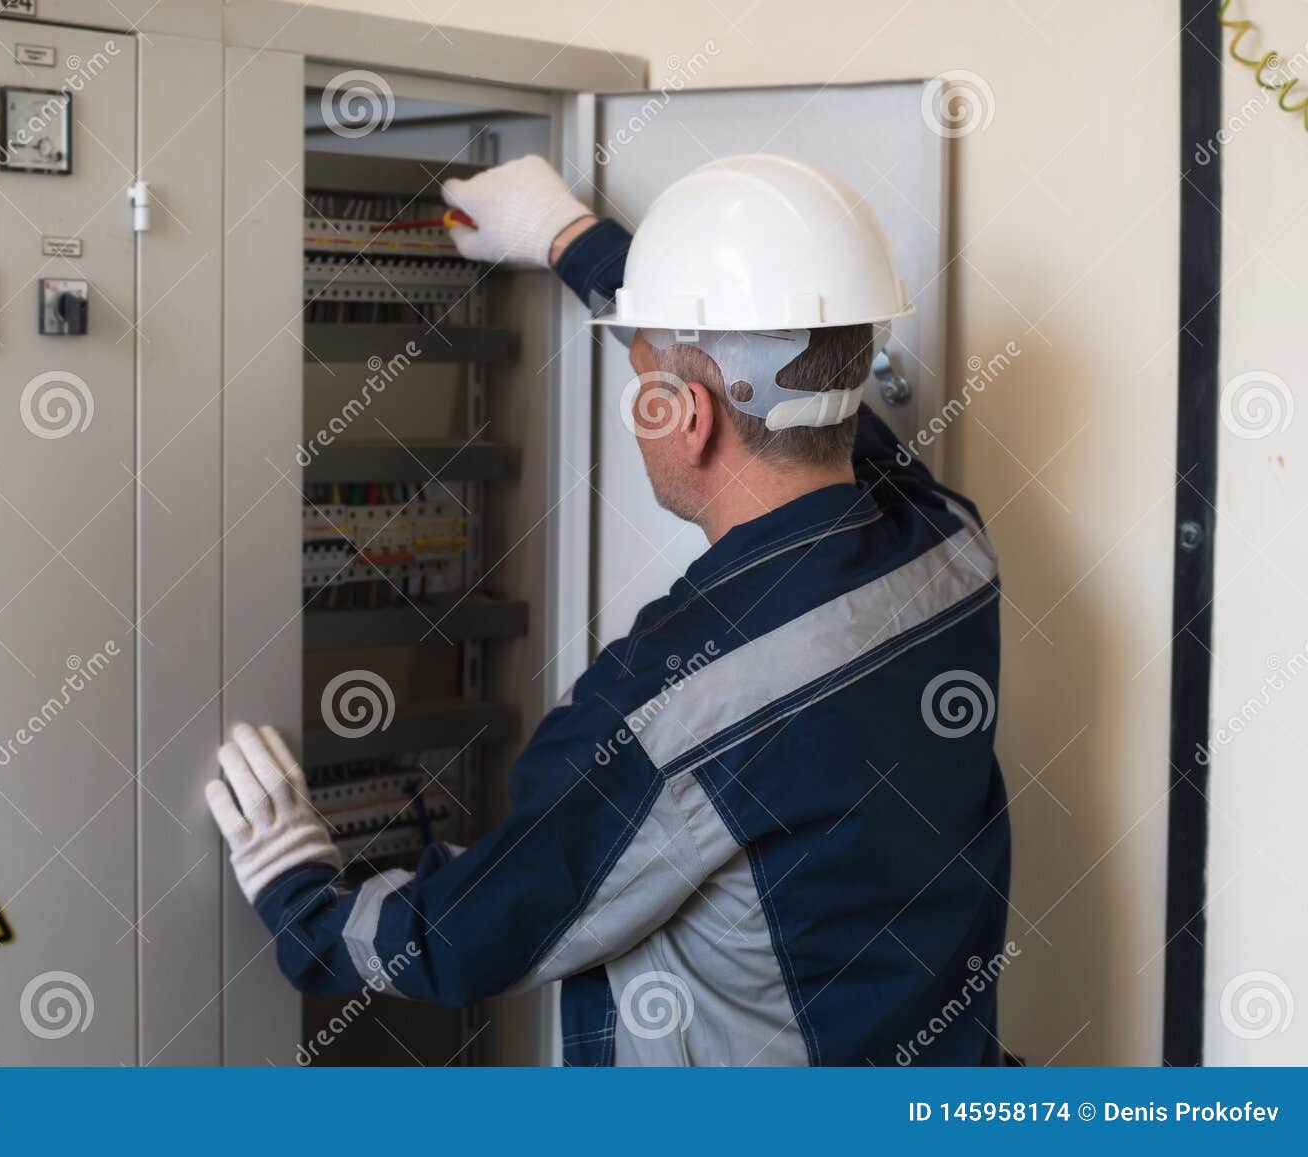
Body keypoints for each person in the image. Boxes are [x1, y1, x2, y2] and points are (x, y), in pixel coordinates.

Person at [207, 153, 1011, 1066]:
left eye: (643, 385)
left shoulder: (665, 715)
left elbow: (469, 933)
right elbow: (808, 395)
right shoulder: (950, 548)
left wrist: (299, 898)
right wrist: (571, 240)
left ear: (689, 415)